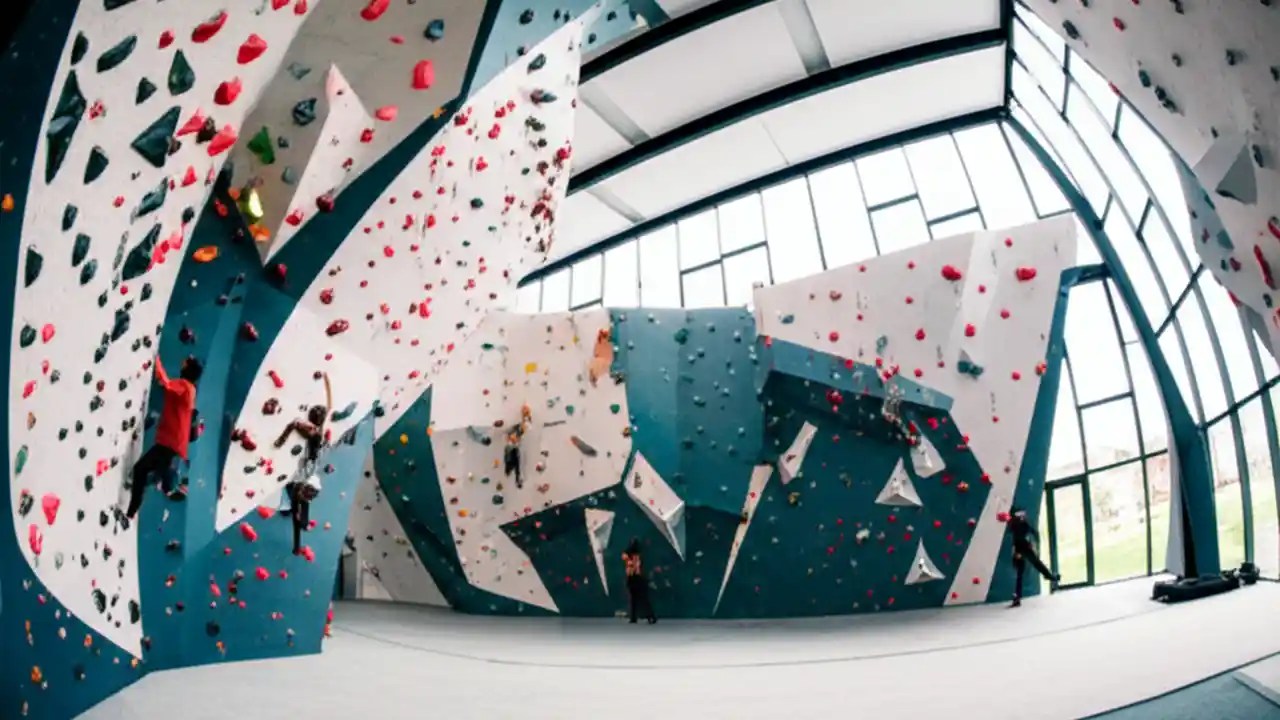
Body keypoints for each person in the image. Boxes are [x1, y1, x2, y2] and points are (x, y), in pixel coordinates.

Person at [126, 355, 202, 519]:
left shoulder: (184, 386)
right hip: (174, 442)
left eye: (184, 364)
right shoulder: (191, 390)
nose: (181, 366)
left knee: (141, 469)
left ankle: (135, 509)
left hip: (169, 442)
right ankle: (164, 483)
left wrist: (156, 359)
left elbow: (166, 383)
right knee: (149, 469)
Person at [275, 372, 332, 554]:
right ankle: (303, 522)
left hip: (306, 470)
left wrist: (281, 440)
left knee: (294, 498)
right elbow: (330, 405)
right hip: (311, 467)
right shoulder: (319, 430)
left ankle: (296, 529)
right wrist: (326, 380)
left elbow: (294, 425)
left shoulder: (313, 432)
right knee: (302, 498)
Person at [1006, 505, 1060, 607]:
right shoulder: (1015, 524)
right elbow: (1018, 538)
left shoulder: (1020, 523)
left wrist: (1034, 540)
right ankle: (1049, 577)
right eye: (1020, 514)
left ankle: (1049, 576)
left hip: (1024, 547)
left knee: (1033, 565)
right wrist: (1018, 553)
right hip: (1021, 548)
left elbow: (1032, 531)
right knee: (1023, 572)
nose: (1022, 515)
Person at [621, 538, 656, 624]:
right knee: (641, 599)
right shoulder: (640, 554)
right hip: (638, 578)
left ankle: (641, 617)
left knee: (636, 599)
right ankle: (647, 616)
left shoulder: (631, 555)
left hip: (635, 577)